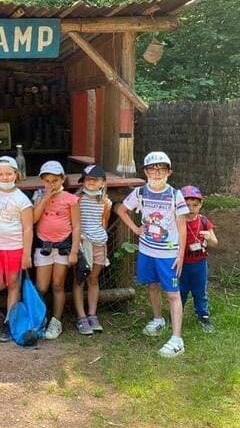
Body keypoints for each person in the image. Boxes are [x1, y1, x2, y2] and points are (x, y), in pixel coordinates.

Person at [117, 151, 190, 357]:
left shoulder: (175, 195)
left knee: (173, 294)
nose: (157, 174)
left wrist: (181, 255)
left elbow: (182, 227)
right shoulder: (140, 193)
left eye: (161, 170)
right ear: (146, 172)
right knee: (152, 285)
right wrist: (135, 229)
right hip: (147, 250)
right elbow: (121, 210)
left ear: (169, 172)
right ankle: (158, 319)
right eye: (152, 169)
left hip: (168, 254)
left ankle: (177, 339)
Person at [0, 156, 34, 342]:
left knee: (13, 285)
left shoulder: (22, 199)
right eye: (0, 174)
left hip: (15, 247)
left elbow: (28, 228)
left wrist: (26, 254)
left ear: (16, 174)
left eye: (8, 173)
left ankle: (9, 321)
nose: (5, 177)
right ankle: (9, 305)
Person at [32, 161, 81, 339]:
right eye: (47, 180)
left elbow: (76, 226)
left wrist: (74, 250)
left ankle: (56, 320)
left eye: (54, 180)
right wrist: (45, 198)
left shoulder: (71, 199)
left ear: (62, 179)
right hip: (43, 245)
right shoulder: (39, 196)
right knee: (41, 286)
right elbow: (33, 220)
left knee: (58, 284)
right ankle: (39, 317)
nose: (51, 184)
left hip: (63, 247)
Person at [74, 164, 113, 334]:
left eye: (94, 179)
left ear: (103, 182)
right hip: (83, 243)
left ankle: (92, 314)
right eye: (87, 179)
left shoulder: (106, 202)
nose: (90, 182)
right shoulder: (77, 200)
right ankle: (81, 316)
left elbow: (104, 222)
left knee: (94, 278)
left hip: (99, 242)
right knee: (80, 279)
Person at [179, 185, 218, 333]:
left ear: (201, 205)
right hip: (182, 263)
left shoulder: (203, 221)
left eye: (195, 205)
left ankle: (203, 316)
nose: (191, 208)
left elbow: (215, 242)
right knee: (180, 291)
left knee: (200, 291)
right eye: (186, 205)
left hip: (199, 263)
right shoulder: (178, 221)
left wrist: (209, 237)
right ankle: (177, 314)